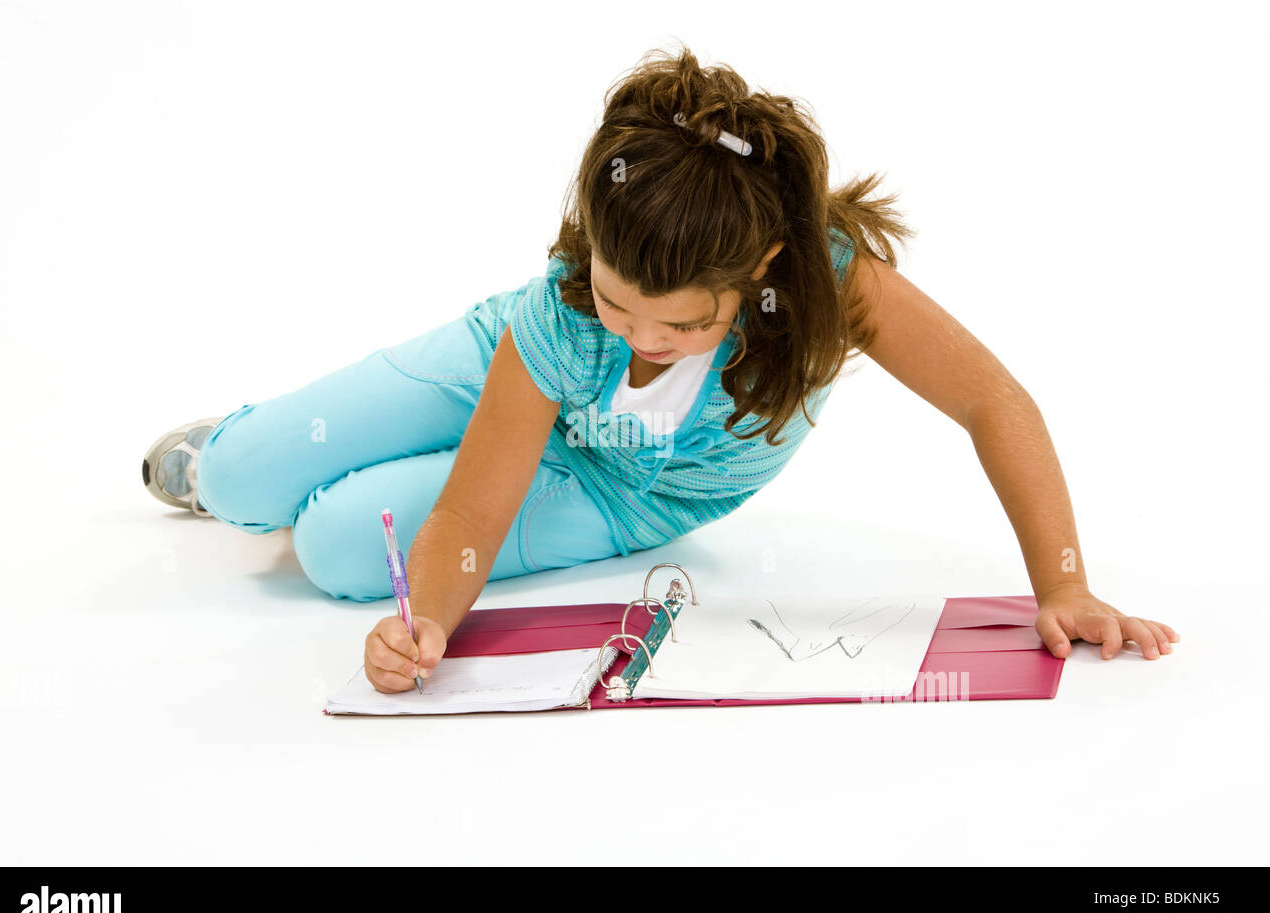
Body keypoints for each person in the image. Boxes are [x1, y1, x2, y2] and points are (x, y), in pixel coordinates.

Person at [141, 45, 1180, 694]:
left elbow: (993, 400)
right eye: (615, 297)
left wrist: (1065, 582)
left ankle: (334, 498)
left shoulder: (828, 280)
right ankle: (226, 460)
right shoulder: (560, 312)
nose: (638, 333)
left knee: (329, 544)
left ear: (759, 272)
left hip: (613, 486)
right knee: (243, 480)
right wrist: (445, 606)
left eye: (678, 323)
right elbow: (474, 506)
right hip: (509, 377)